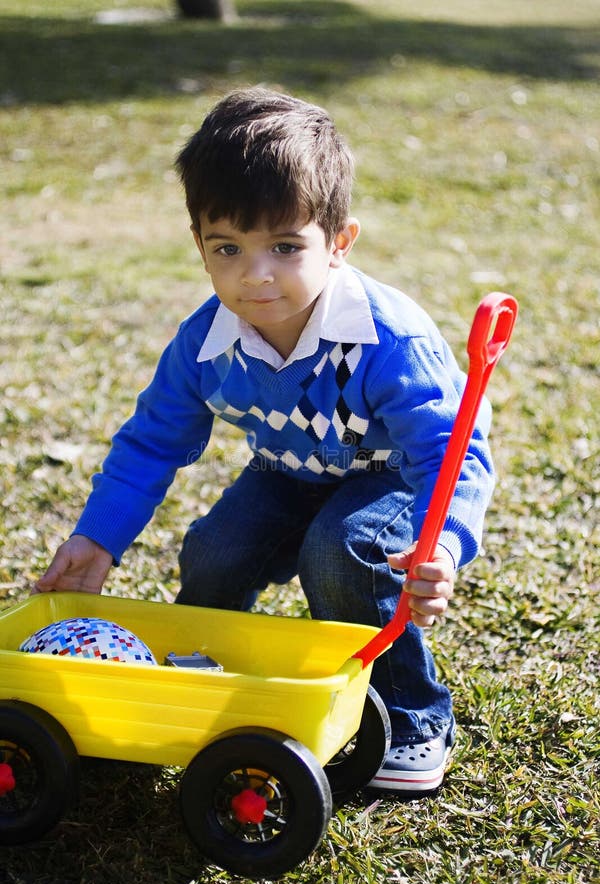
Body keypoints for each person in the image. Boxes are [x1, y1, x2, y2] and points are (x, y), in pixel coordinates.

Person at [34, 87, 495, 794]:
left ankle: (411, 715)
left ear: (339, 241)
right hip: (288, 471)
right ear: (199, 244)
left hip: (394, 475)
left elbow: (450, 449)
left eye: (285, 246)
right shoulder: (205, 344)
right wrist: (97, 539)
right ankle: (209, 682)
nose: (256, 274)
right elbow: (153, 443)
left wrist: (442, 544)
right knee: (214, 551)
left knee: (345, 552)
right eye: (229, 247)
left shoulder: (388, 339)